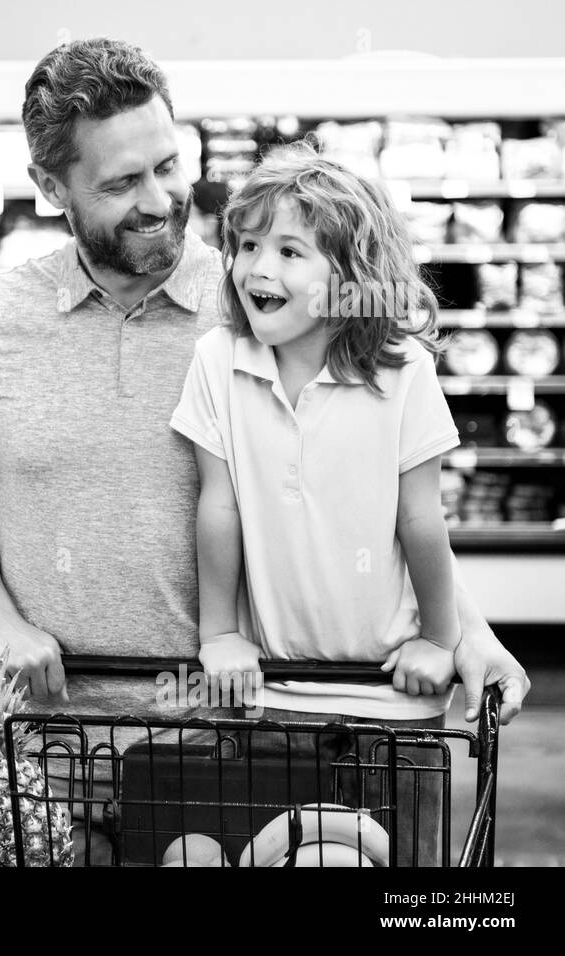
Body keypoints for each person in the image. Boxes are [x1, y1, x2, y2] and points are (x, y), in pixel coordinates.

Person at [0, 38, 531, 865]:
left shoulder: (264, 308)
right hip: (56, 743)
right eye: (121, 183)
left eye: (170, 165)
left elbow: (373, 501)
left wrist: (469, 633)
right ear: (49, 186)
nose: (160, 199)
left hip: (236, 740)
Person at [170, 143, 468, 864]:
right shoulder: (219, 359)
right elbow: (220, 506)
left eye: (290, 251)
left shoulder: (403, 371)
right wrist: (219, 636)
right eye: (245, 246)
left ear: (350, 278)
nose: (257, 268)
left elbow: (421, 520)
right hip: (272, 700)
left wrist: (439, 638)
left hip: (395, 704)